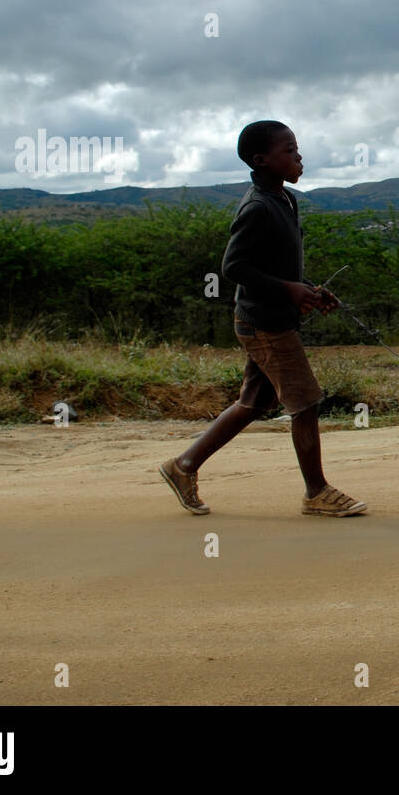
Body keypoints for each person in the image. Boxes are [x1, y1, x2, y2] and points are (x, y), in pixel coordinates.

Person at [158, 120, 367, 517]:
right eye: (289, 151)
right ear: (261, 160)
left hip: (270, 318)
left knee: (254, 402)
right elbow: (234, 266)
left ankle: (183, 467)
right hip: (265, 324)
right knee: (305, 402)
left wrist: (306, 288)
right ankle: (317, 492)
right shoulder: (258, 207)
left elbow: (273, 264)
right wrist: (288, 290)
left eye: (297, 148)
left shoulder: (284, 199)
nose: (298, 156)